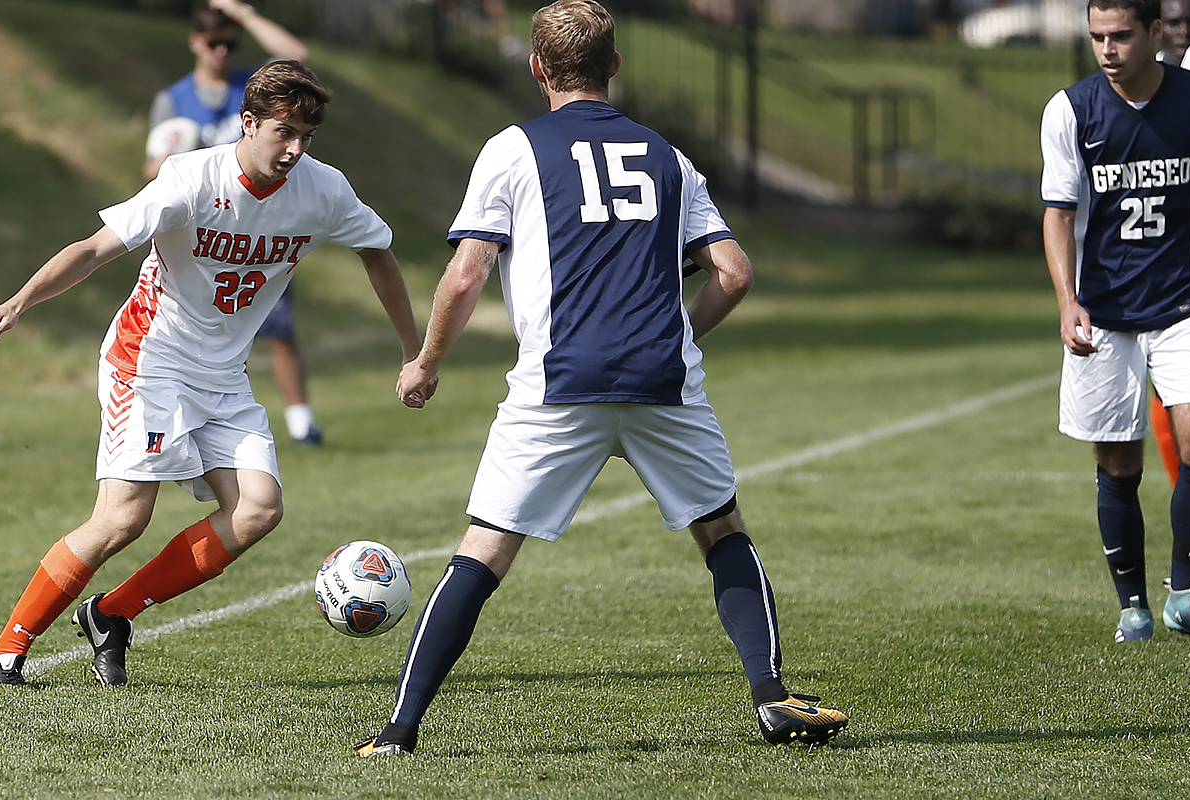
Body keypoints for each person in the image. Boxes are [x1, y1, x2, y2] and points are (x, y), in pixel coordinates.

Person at [353, 0, 848, 756]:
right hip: (662, 382)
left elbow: (465, 274)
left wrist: (424, 362)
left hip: (561, 385)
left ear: (537, 68)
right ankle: (772, 696)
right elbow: (735, 273)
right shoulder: (669, 157)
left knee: (484, 550)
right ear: (615, 66)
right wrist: (679, 332)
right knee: (721, 531)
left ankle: (398, 731)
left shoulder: (513, 149)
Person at [0, 60, 423, 687]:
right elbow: (96, 248)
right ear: (248, 121)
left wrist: (414, 353)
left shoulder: (324, 190)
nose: (294, 150)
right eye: (283, 132)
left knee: (259, 510)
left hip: (222, 374)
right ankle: (3, 653)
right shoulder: (191, 178)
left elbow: (378, 254)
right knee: (124, 518)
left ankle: (113, 611)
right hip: (148, 359)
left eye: (306, 138)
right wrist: (20, 301)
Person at [1043, 0, 1190, 645]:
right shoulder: (1070, 110)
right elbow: (1057, 212)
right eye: (1096, 38)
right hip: (1106, 314)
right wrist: (1067, 301)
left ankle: (1185, 590)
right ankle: (1133, 607)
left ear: (1156, 33)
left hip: (1184, 303)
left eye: (1120, 36)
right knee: (1119, 463)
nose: (1107, 50)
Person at [146, 1, 327, 446]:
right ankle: (185, 417)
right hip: (204, 232)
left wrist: (242, 12)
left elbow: (296, 55)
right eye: (214, 43)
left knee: (279, 325)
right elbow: (153, 169)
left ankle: (300, 419)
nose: (222, 52)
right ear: (195, 43)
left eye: (230, 43)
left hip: (263, 223)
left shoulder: (254, 91)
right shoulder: (174, 99)